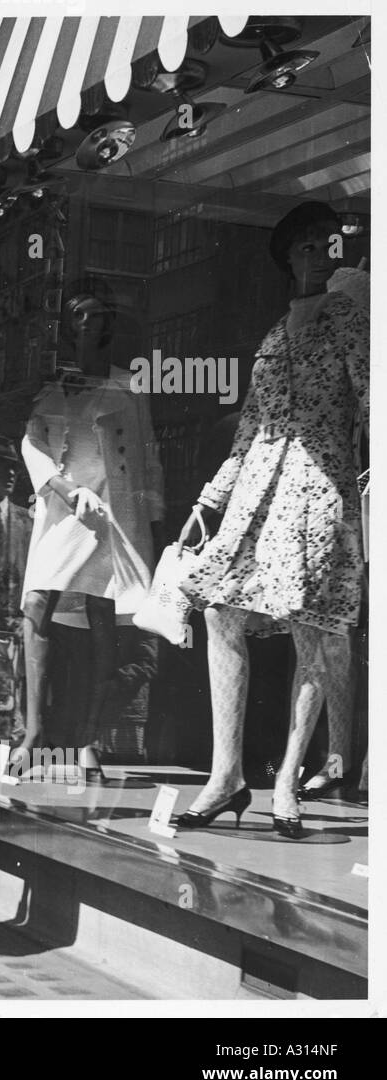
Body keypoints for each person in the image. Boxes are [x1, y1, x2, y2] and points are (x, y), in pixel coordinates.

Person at [176, 202, 368, 837]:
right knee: (219, 609)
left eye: (326, 244)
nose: (319, 253)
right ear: (288, 256)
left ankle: (287, 779)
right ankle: (225, 773)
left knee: (307, 625)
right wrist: (208, 502)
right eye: (307, 245)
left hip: (317, 492)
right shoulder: (278, 329)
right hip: (259, 487)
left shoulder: (348, 322)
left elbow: (374, 405)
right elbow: (249, 430)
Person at [18, 286, 163, 781]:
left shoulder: (127, 387)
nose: (88, 322)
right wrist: (60, 487)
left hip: (111, 510)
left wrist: (152, 517)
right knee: (37, 602)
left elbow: (145, 455)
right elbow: (32, 443)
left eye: (98, 314)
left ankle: (87, 740)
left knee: (102, 612)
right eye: (78, 314)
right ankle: (34, 732)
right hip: (63, 509)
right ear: (66, 325)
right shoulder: (52, 386)